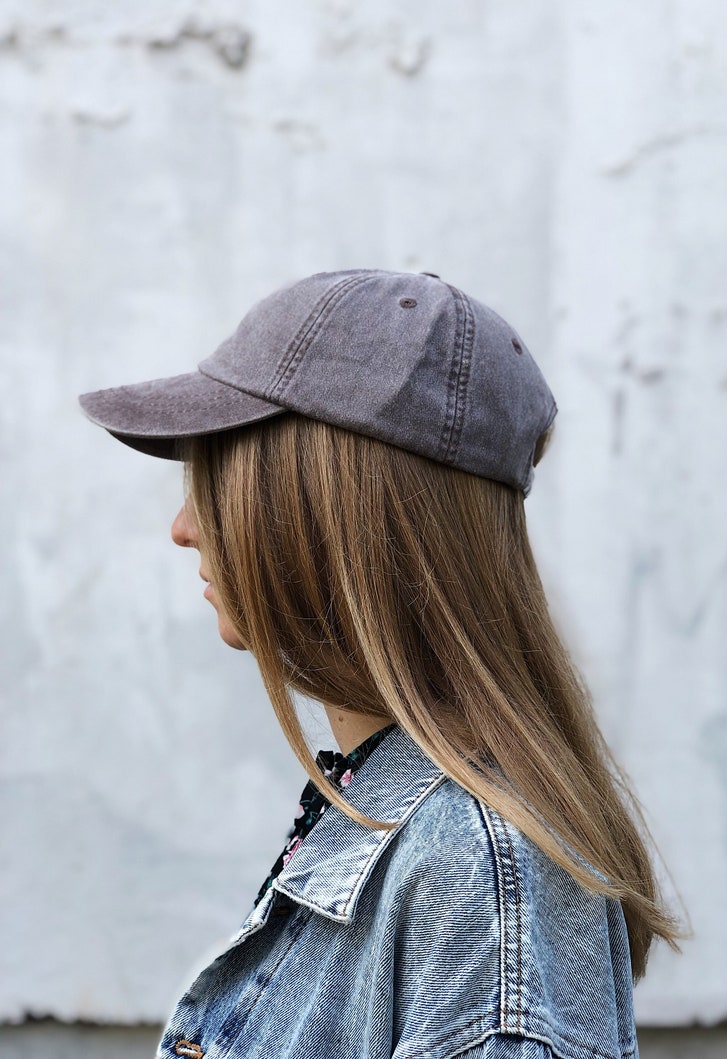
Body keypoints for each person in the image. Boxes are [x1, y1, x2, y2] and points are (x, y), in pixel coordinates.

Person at [80, 269, 680, 1059]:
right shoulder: (408, 825)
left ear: (321, 508)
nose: (184, 526)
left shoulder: (474, 871)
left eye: (216, 479)